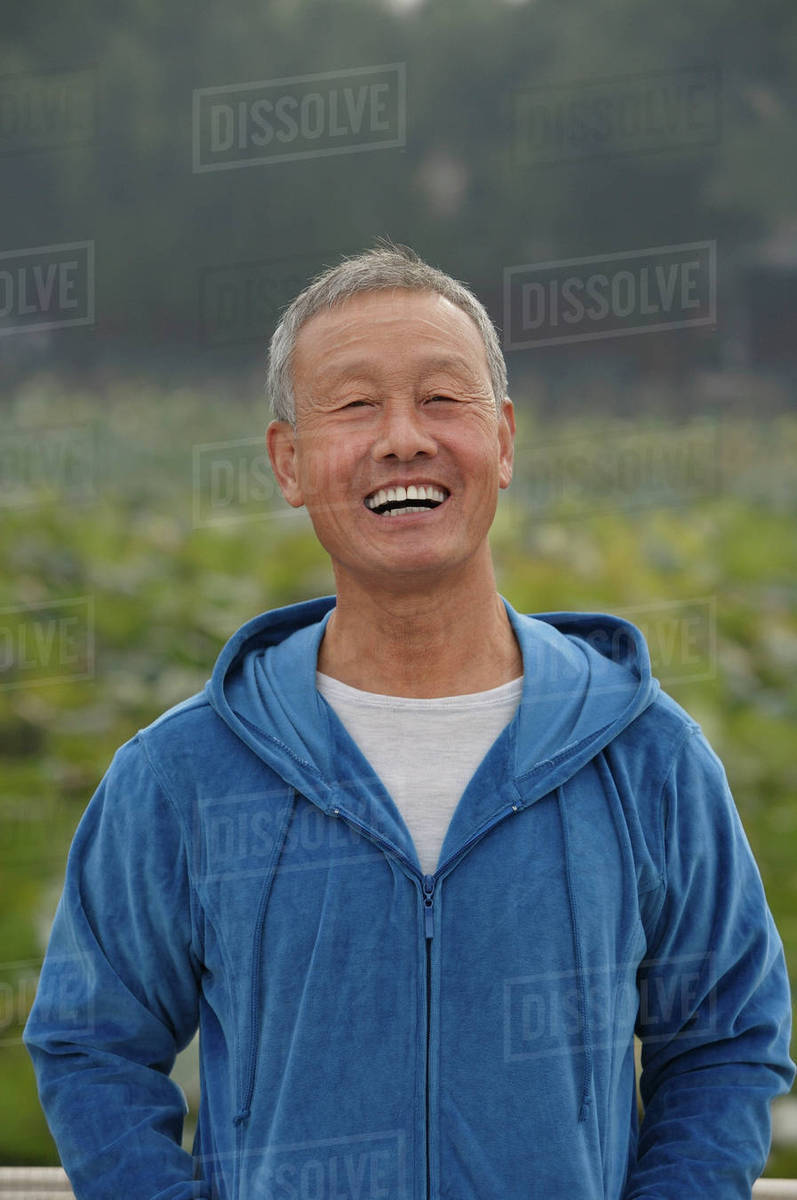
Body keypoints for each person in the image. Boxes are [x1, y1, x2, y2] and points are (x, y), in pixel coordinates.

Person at [25, 242, 794, 1200]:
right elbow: (89, 1043)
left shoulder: (648, 756)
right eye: (353, 406)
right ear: (288, 462)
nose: (402, 439)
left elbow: (727, 1042)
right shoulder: (180, 775)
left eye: (442, 399)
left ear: (504, 440)